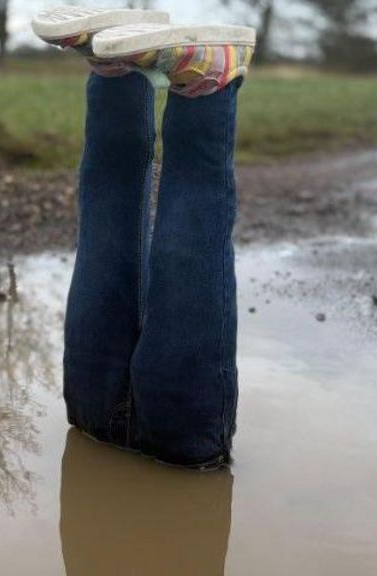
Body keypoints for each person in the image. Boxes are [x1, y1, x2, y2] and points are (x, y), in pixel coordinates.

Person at [33, 6, 256, 470]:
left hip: (99, 419)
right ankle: (201, 84)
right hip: (173, 434)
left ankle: (121, 72)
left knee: (106, 236)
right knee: (184, 255)